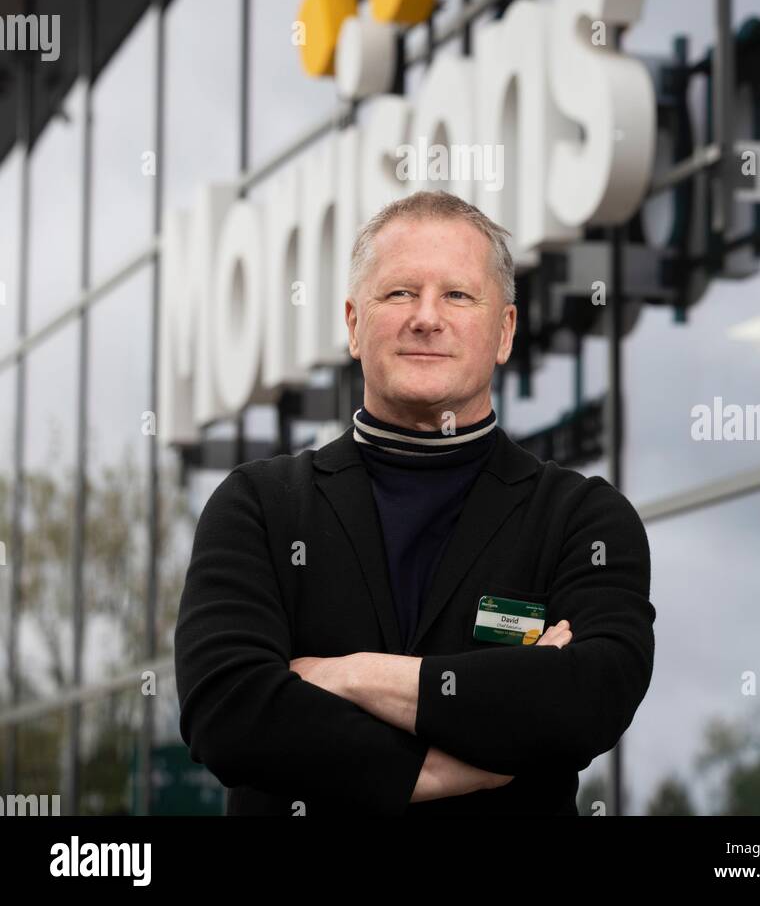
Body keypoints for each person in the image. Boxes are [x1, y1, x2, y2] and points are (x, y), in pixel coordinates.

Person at [174, 189, 655, 815]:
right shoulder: (260, 507)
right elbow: (226, 711)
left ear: (505, 331)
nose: (426, 318)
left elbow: (589, 698)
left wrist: (347, 674)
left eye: (457, 295)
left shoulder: (581, 519)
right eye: (400, 293)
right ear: (354, 324)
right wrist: (433, 768)